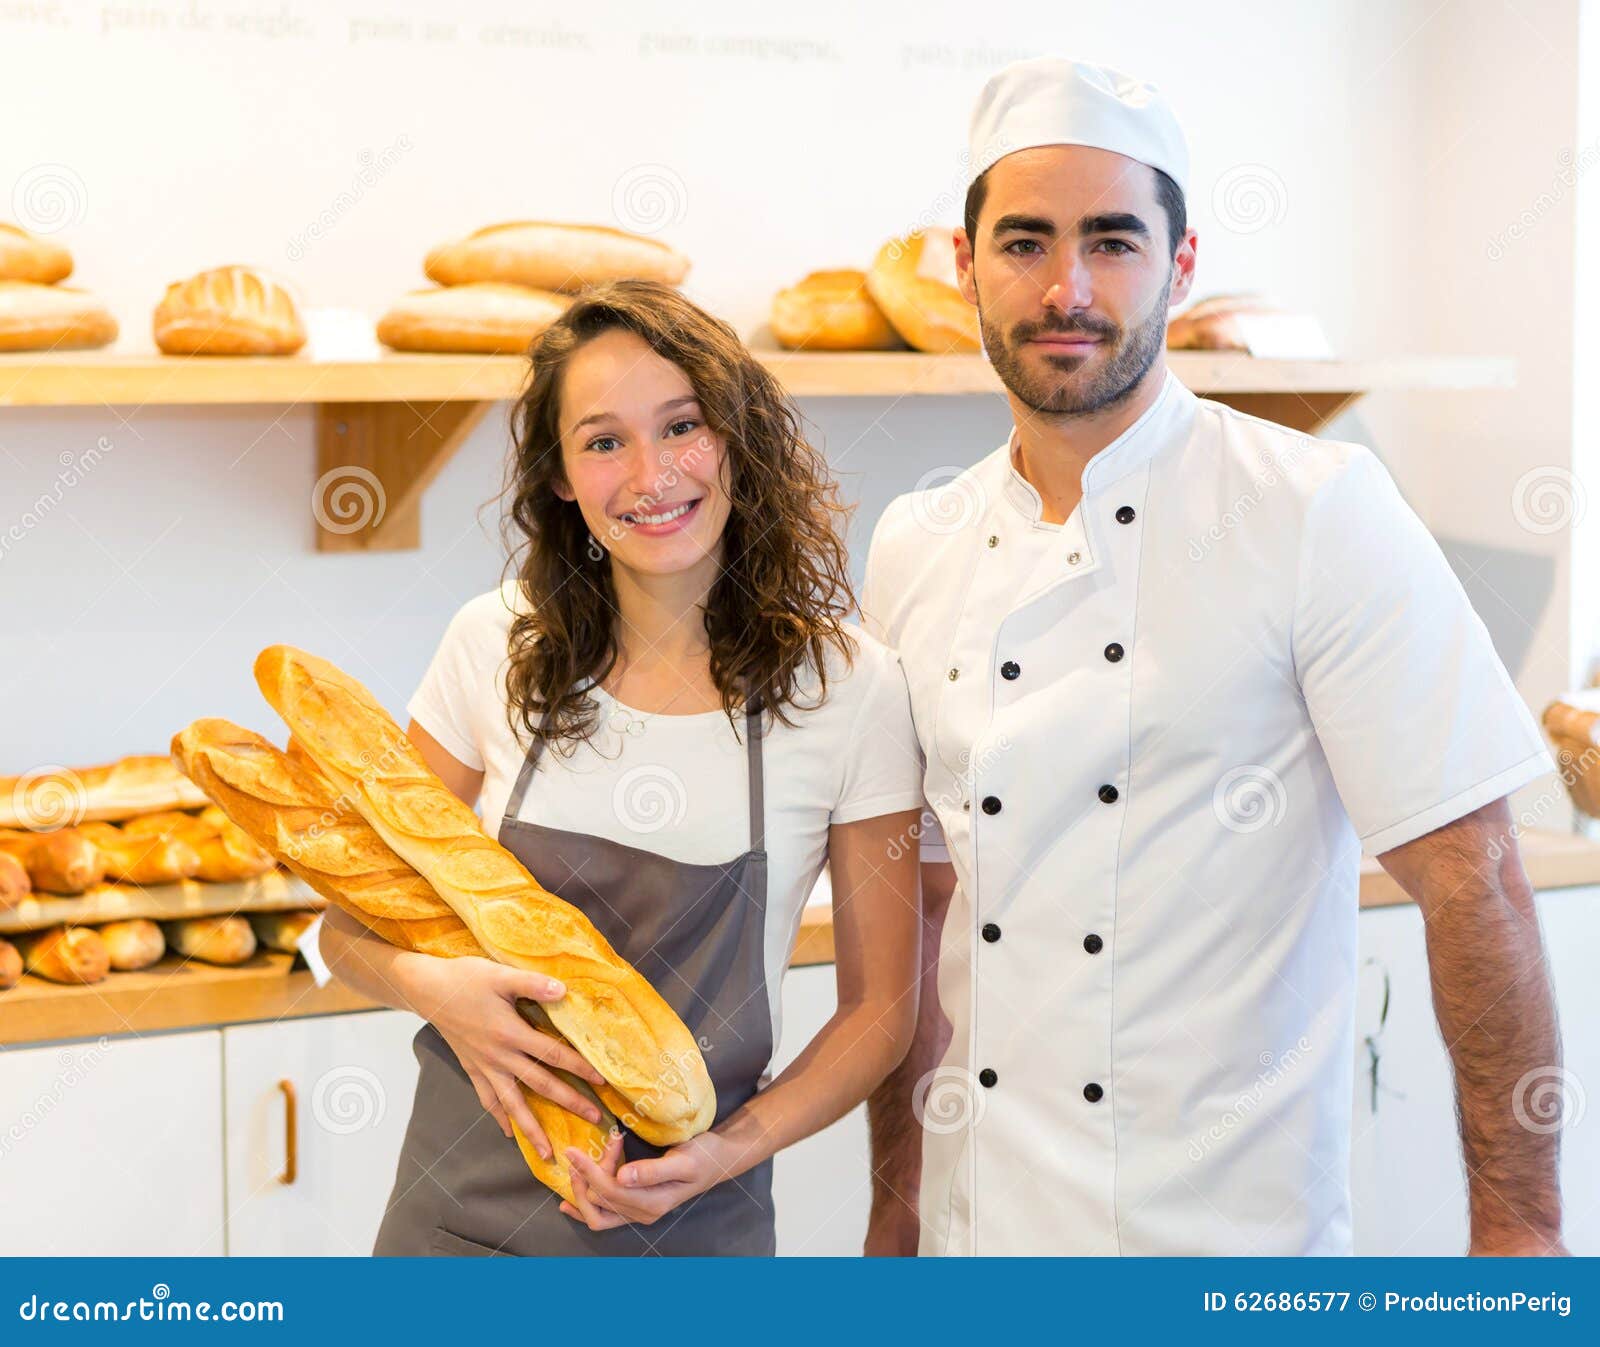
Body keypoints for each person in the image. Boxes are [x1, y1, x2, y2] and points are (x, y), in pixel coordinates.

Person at [861, 56, 1569, 1256]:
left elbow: (1476, 880)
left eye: (1114, 241)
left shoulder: (1313, 510)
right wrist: (897, 1208)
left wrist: (1521, 1236)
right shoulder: (912, 543)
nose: (1067, 286)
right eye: (1025, 242)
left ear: (1179, 268)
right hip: (979, 1236)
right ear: (966, 264)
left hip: (1224, 1248)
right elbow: (925, 905)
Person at [320, 279, 924, 1256]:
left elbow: (882, 1010)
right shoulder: (491, 645)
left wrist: (729, 1151)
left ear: (737, 438)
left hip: (696, 1225)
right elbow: (345, 924)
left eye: (681, 426)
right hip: (456, 1226)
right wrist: (434, 991)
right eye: (602, 440)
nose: (649, 475)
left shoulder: (850, 687)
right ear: (560, 475)